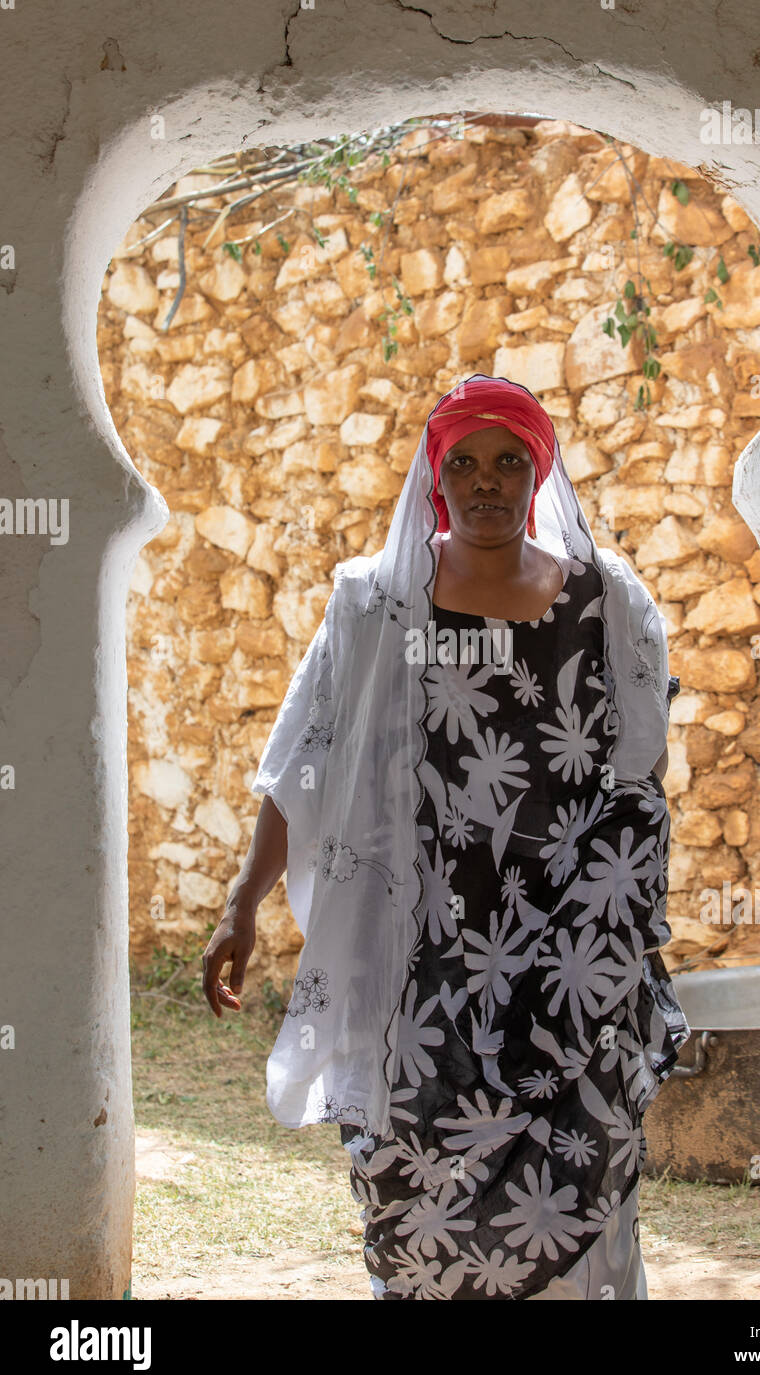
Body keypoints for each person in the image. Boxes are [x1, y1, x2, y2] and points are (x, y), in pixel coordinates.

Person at [202, 374, 691, 1300]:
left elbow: (637, 786)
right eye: (461, 462)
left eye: (510, 461)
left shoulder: (606, 604)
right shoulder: (377, 604)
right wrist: (243, 900)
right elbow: (305, 759)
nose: (485, 483)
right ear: (435, 476)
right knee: (418, 1188)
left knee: (572, 1194)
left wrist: (604, 940)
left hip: (570, 968)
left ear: (539, 473)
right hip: (417, 966)